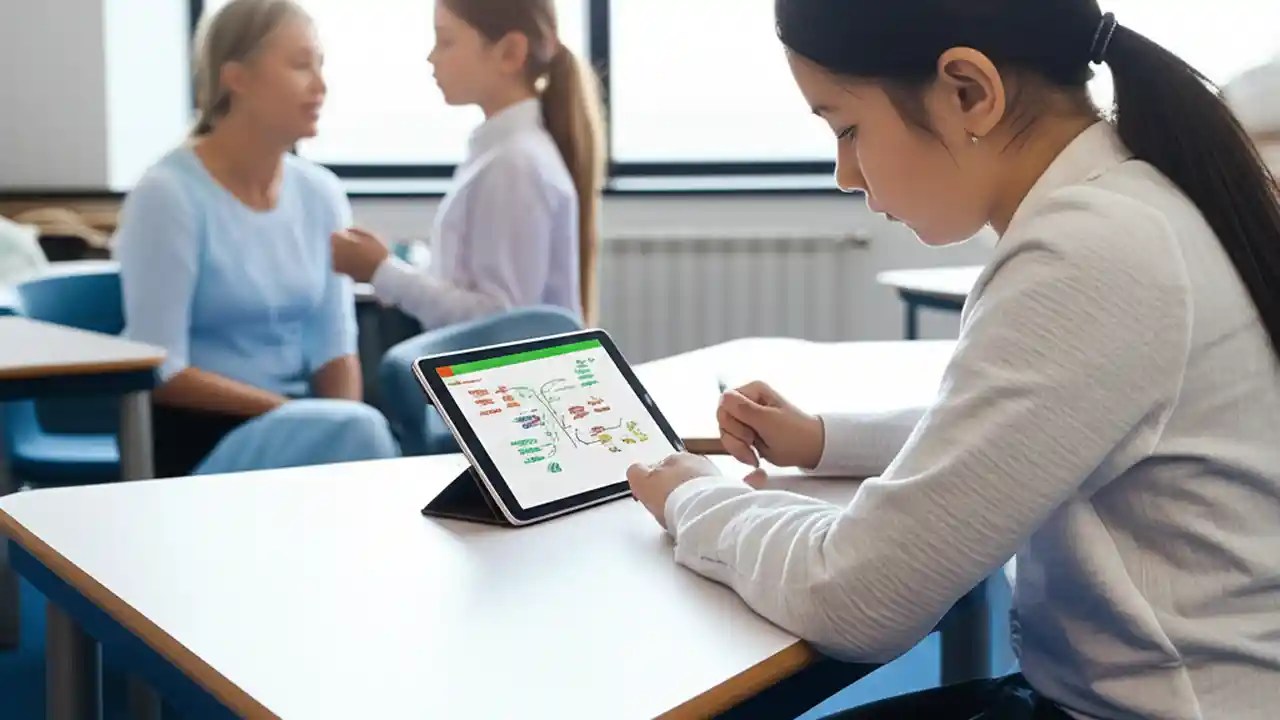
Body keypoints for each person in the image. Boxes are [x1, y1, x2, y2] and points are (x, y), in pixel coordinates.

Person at [627, 1, 1280, 718]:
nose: (845, 173)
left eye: (846, 128)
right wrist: (824, 437)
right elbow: (1020, 437)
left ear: (970, 91)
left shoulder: (1095, 249)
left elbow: (855, 597)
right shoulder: (1132, 202)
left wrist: (695, 498)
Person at [115, 0, 398, 478]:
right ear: (236, 77)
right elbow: (161, 369)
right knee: (363, 433)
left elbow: (334, 345)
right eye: (300, 64)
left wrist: (332, 425)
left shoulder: (321, 193)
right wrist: (297, 415)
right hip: (199, 440)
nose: (320, 85)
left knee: (364, 433)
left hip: (301, 424)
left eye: (321, 65)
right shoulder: (167, 196)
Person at [329, 0, 605, 327]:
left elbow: (500, 320)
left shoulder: (514, 165)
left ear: (510, 52)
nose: (432, 57)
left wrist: (382, 271)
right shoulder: (502, 154)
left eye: (446, 41)